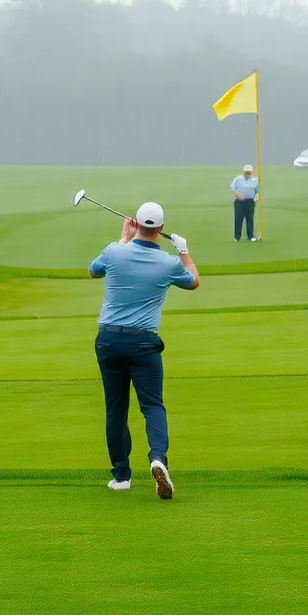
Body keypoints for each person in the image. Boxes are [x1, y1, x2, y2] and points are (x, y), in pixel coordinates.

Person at [88, 202, 200, 500]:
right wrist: (184, 251)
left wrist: (123, 239)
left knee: (116, 408)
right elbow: (193, 282)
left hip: (109, 339)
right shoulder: (168, 262)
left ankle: (121, 476)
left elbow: (93, 271)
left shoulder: (114, 251)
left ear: (135, 223)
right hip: (143, 343)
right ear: (161, 229)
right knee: (152, 406)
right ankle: (158, 459)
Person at [229, 164, 258, 242]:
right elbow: (232, 188)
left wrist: (256, 197)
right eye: (246, 172)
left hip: (250, 202)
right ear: (244, 172)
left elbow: (258, 190)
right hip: (239, 202)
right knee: (238, 219)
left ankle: (250, 236)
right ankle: (237, 237)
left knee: (250, 219)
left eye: (249, 172)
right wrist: (239, 195)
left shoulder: (255, 180)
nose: (248, 173)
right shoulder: (238, 179)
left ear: (251, 172)